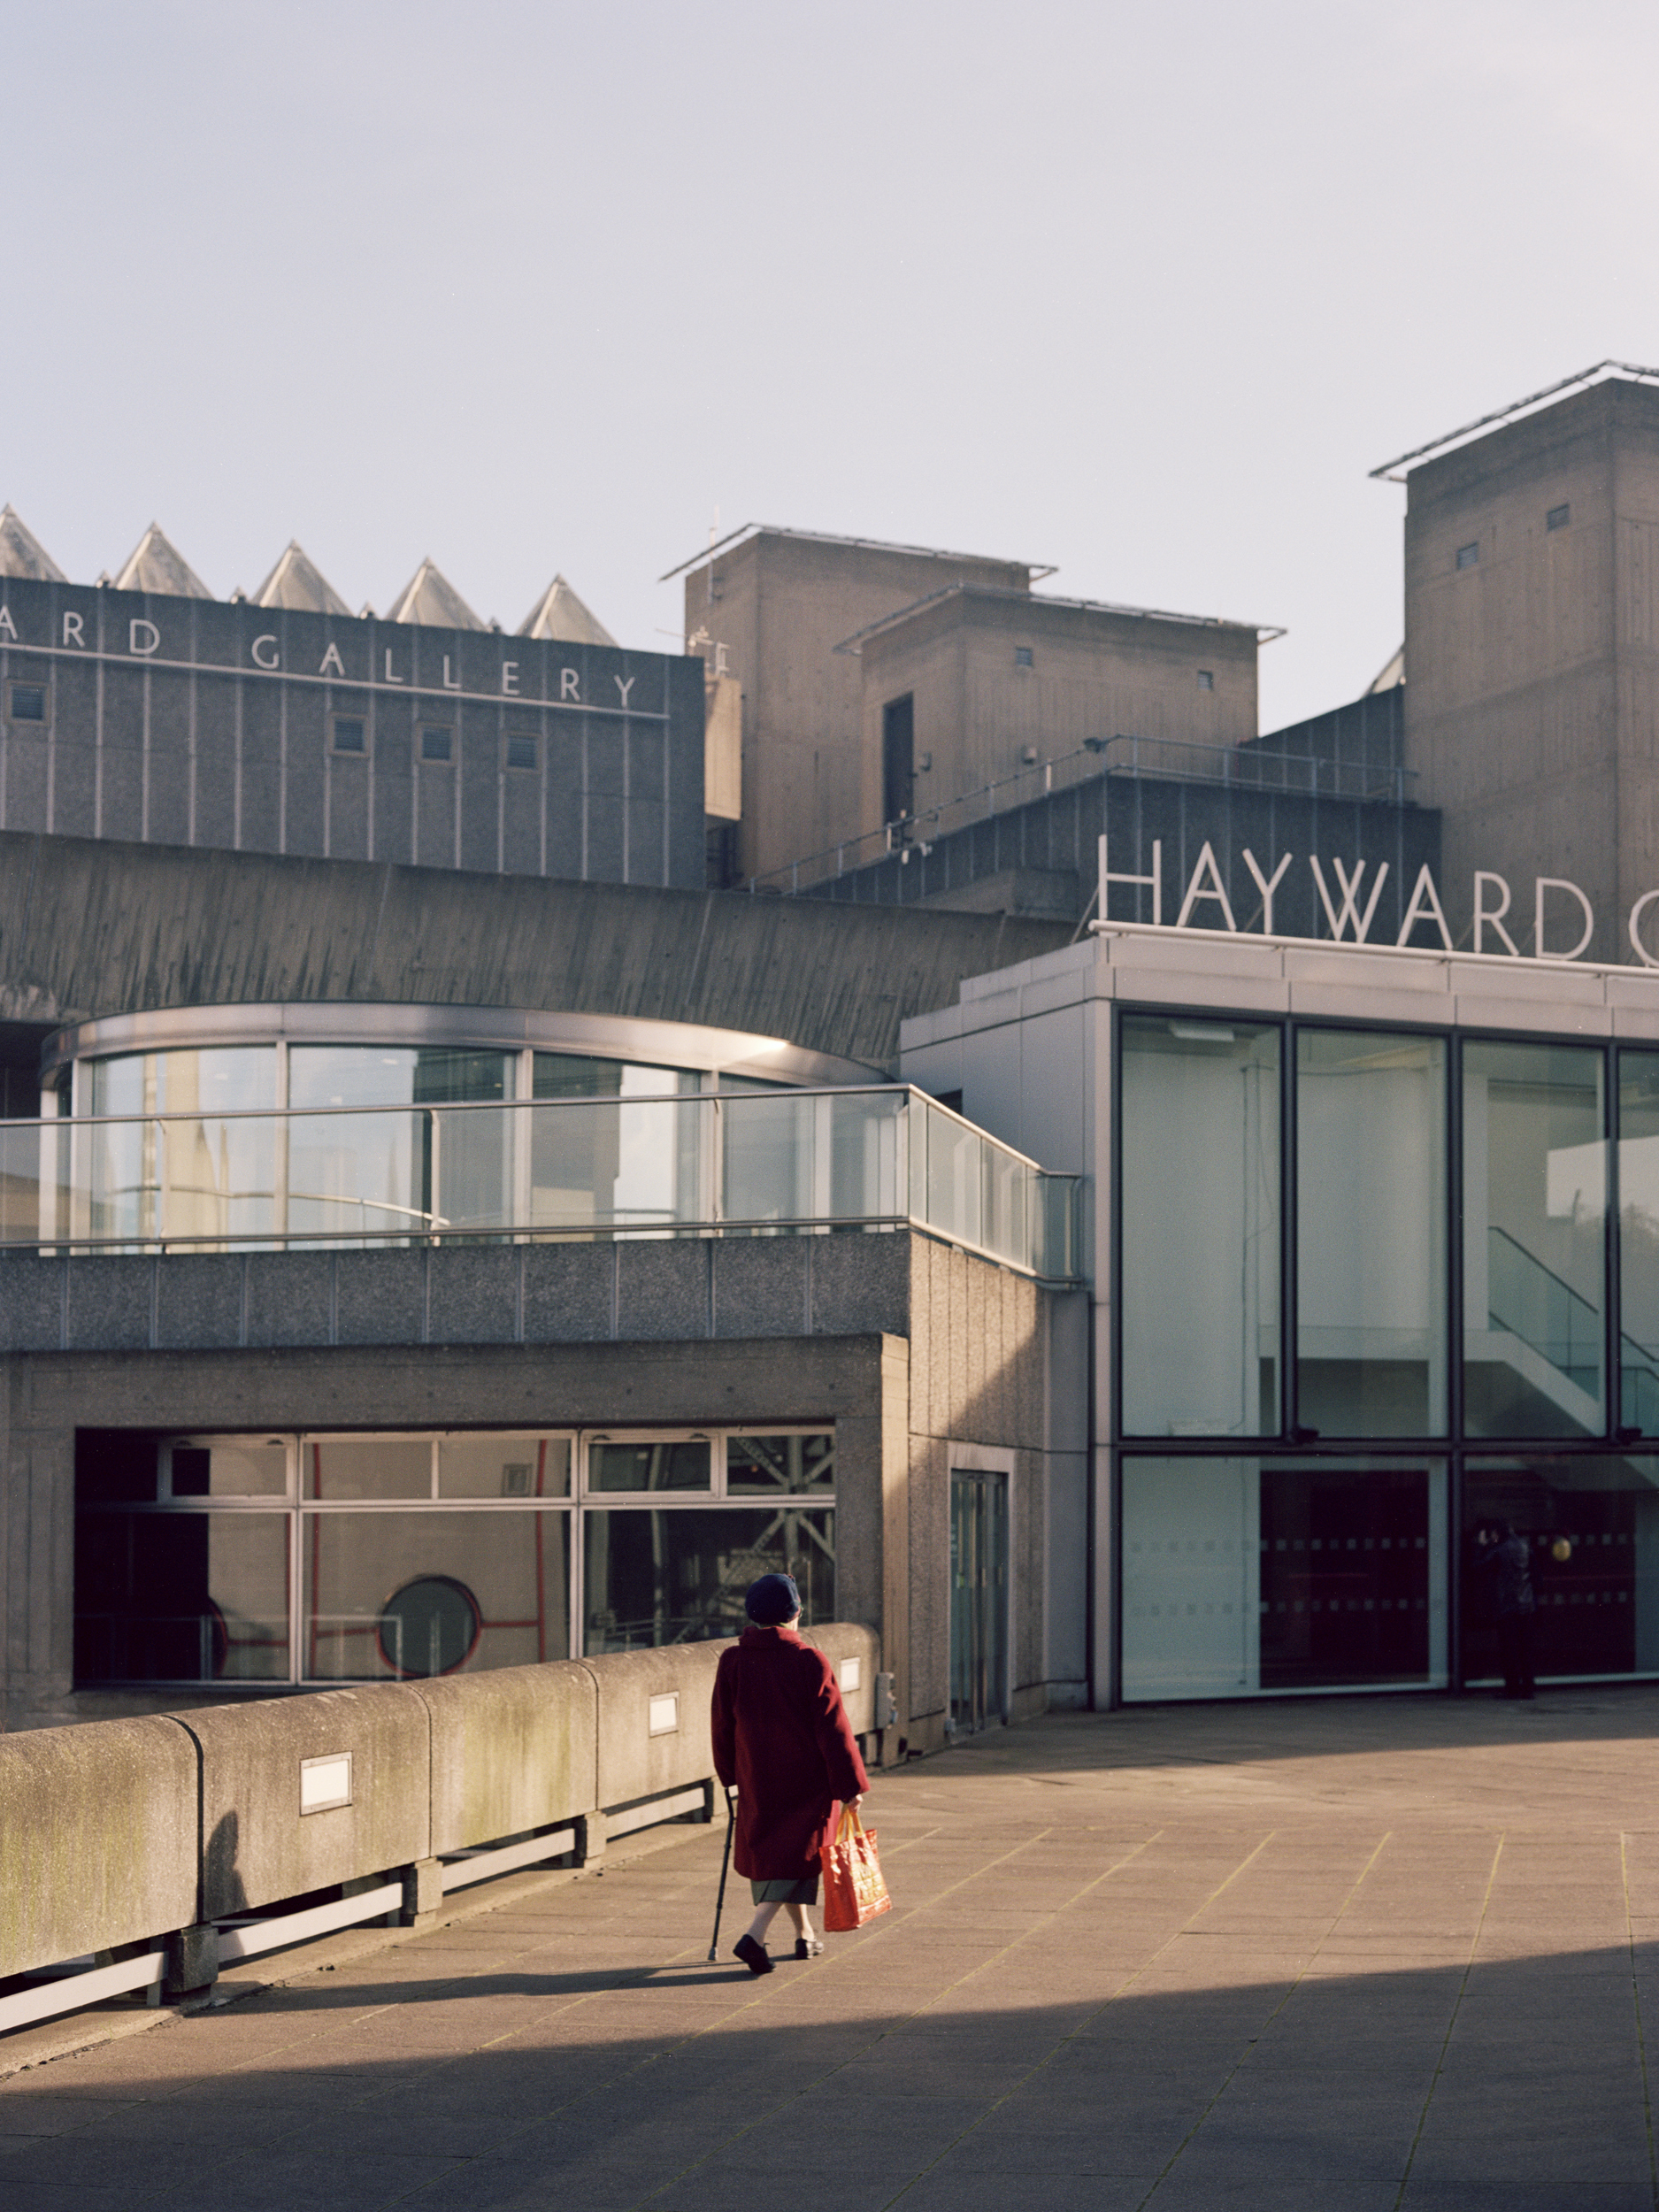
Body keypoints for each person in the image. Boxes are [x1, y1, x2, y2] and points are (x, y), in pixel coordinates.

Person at [710, 1571, 869, 1976]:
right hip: (806, 1781)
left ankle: (805, 1936)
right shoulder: (807, 1660)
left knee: (775, 1853)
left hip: (755, 1776)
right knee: (799, 1857)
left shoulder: (733, 1660)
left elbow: (721, 1724)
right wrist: (849, 1785)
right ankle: (753, 1935)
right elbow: (834, 1728)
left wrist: (729, 1773)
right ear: (796, 1612)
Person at [1476, 1519, 1537, 1699]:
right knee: (1525, 1649)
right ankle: (1528, 1688)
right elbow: (1533, 1572)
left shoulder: (1499, 1550)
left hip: (1507, 1607)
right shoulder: (1525, 1546)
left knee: (1509, 1650)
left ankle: (1512, 1689)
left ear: (1497, 1533)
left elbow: (1479, 1567)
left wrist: (1481, 1546)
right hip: (1526, 1606)